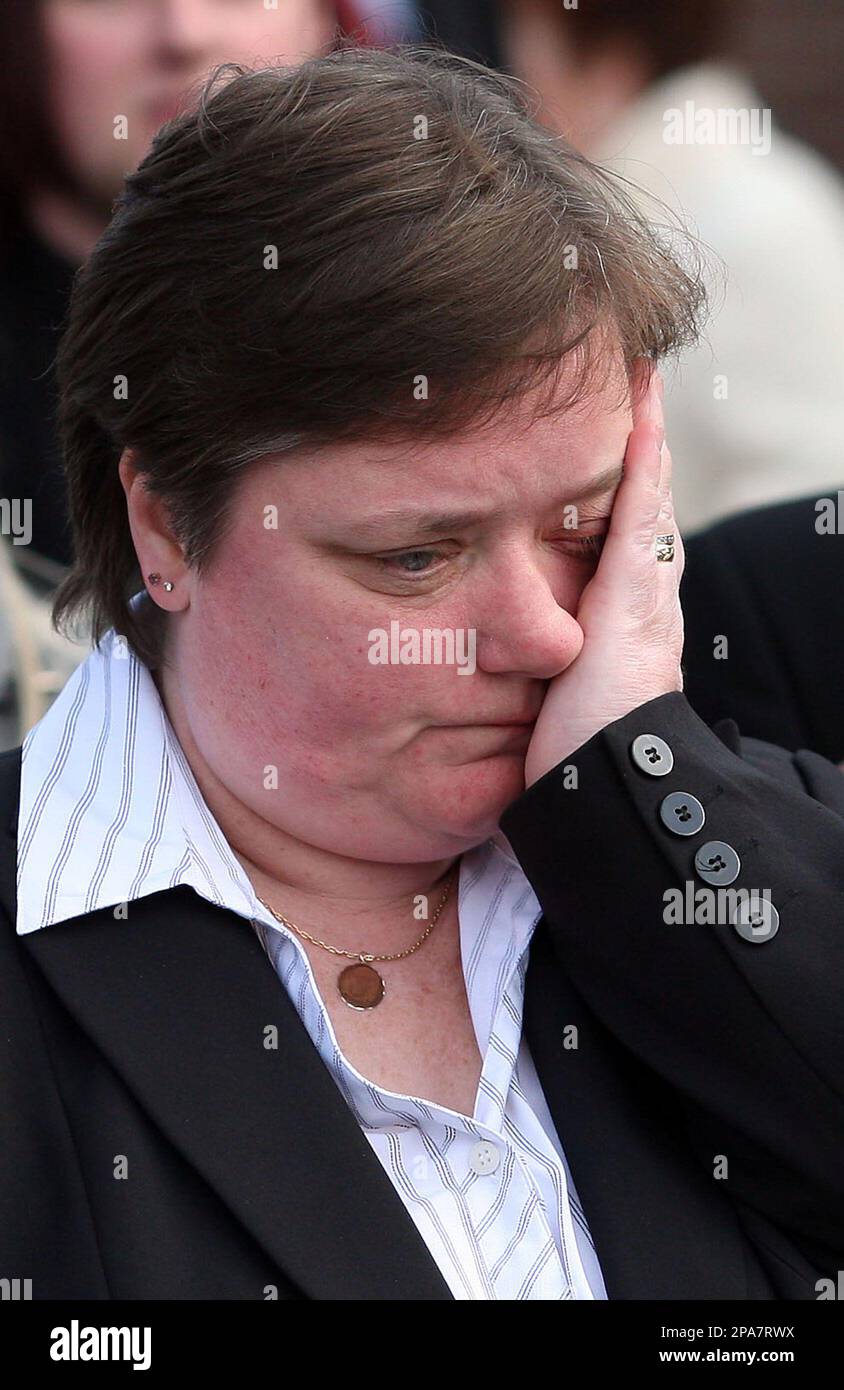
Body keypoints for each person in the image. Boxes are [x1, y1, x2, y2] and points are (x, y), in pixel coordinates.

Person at [2, 45, 842, 1301]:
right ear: (168, 527)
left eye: (580, 528)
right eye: (412, 556)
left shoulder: (755, 843)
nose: (544, 634)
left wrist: (645, 799)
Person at [498, 0, 844, 533]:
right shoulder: (736, 192)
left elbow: (805, 497)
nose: (516, 76)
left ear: (611, 60)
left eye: (527, 36)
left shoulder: (738, 218)